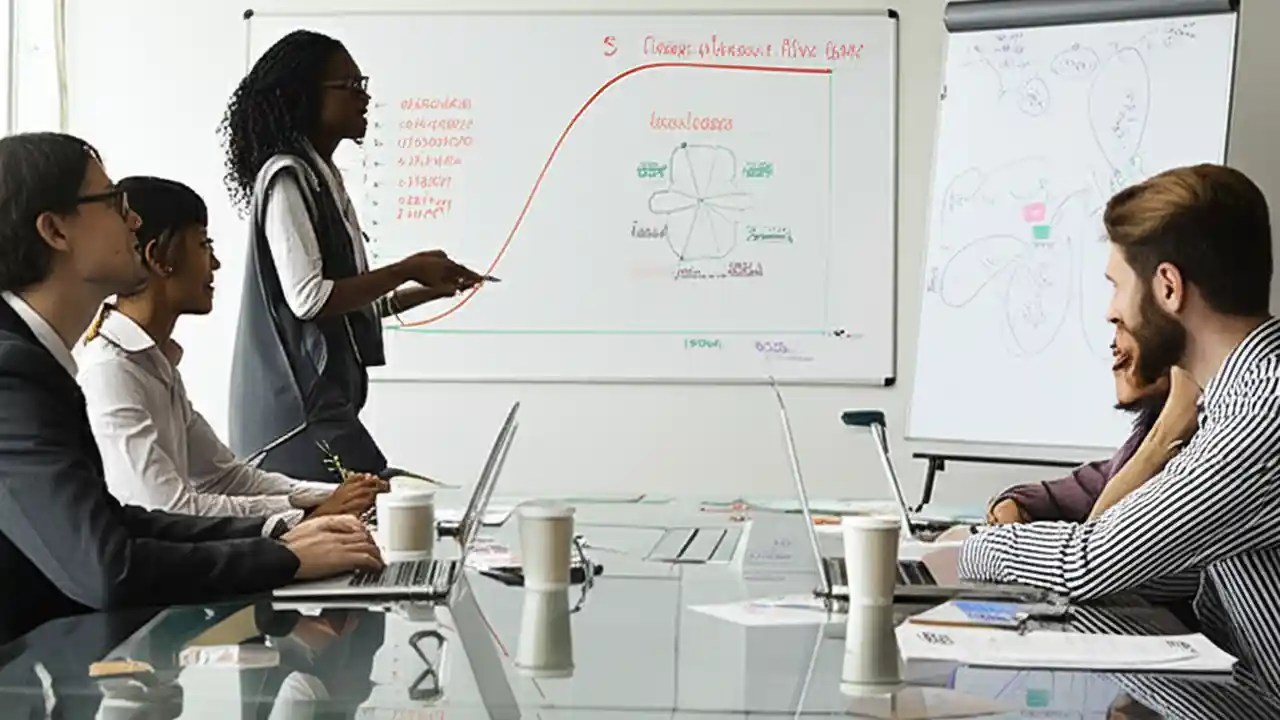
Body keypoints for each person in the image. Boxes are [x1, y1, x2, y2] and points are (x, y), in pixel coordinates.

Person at [0, 132, 382, 644]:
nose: (133, 219)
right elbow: (107, 567)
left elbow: (117, 521)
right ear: (54, 230)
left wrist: (283, 532)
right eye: (113, 202)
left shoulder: (35, 360)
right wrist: (286, 552)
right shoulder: (15, 372)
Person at [958, 163, 1280, 693]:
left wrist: (971, 549)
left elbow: (1088, 563)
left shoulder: (1260, 413)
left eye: (1116, 287)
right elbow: (1171, 570)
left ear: (1168, 287)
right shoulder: (1239, 398)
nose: (1111, 313)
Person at [219, 29, 485, 481]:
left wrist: (425, 289)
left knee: (401, 505)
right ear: (304, 96)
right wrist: (407, 268)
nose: (364, 98)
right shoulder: (287, 177)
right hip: (294, 424)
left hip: (322, 411)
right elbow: (311, 300)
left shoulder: (322, 177)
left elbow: (347, 308)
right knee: (400, 504)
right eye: (350, 86)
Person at [75, 176, 389, 529]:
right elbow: (167, 508)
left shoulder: (152, 362)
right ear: (159, 258)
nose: (216, 263)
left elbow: (228, 478)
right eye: (203, 243)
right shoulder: (111, 371)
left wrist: (334, 495)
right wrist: (309, 515)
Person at [986, 327, 1199, 524]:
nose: (1113, 344)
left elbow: (1094, 554)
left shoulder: (1206, 452)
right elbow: (1080, 490)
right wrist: (1012, 504)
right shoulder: (1143, 435)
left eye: (1123, 325)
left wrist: (1169, 430)